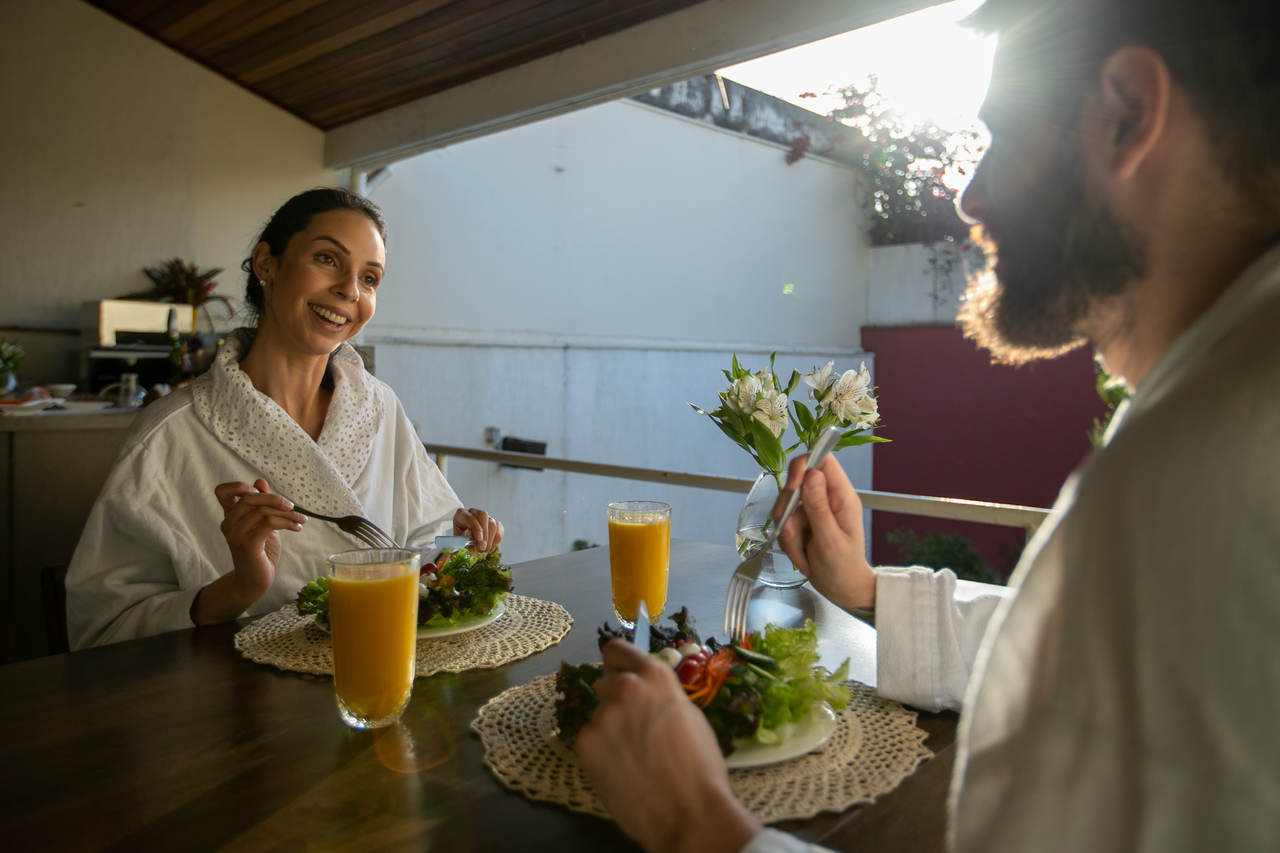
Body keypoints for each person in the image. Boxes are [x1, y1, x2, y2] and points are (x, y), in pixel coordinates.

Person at [575, 0, 1280, 850]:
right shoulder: (1226, 408)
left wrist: (695, 821)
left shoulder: (1198, 475)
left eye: (1002, 138)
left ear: (1128, 113)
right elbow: (1073, 658)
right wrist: (868, 590)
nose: (971, 198)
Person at [67, 188, 503, 649]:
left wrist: (460, 545)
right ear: (266, 264)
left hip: (382, 667)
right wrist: (239, 587)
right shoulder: (169, 434)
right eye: (327, 259)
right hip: (239, 689)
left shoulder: (380, 409)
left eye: (369, 278)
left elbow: (425, 541)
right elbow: (103, 627)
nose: (350, 290)